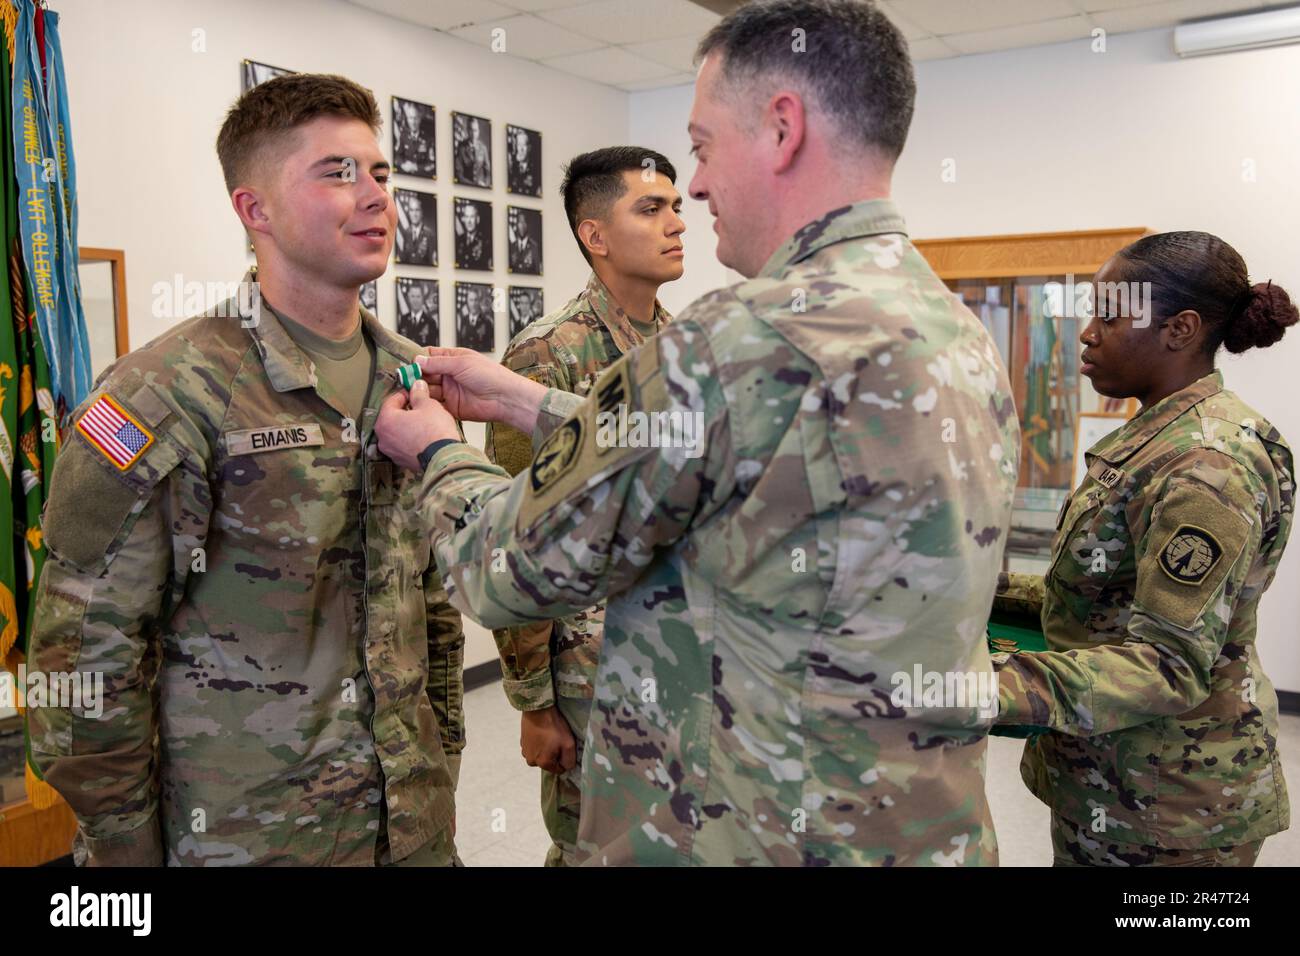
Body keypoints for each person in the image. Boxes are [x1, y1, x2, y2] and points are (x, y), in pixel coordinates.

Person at [377, 0, 1020, 866]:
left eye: (705, 148)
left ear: (783, 128)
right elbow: (747, 462)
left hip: (744, 827)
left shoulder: (731, 340)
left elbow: (508, 571)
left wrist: (437, 453)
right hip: (908, 824)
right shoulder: (951, 326)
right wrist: (534, 404)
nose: (701, 190)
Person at [26, 73, 465, 866]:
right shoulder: (165, 392)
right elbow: (84, 653)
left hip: (412, 825)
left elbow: (428, 599)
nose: (375, 197)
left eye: (380, 173)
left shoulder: (413, 379)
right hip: (243, 836)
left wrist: (445, 763)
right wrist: (124, 853)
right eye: (336, 172)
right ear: (253, 210)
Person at [991, 232, 1297, 867]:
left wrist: (986, 687)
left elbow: (1168, 664)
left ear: (1180, 329)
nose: (1087, 334)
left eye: (1109, 315)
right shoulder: (1160, 437)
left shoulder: (1208, 462)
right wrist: (983, 595)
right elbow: (1107, 593)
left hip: (1171, 809)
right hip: (1115, 781)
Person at [484, 146, 683, 866]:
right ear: (596, 235)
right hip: (588, 672)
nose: (676, 224)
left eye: (678, 206)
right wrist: (533, 700)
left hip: (678, 658)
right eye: (651, 208)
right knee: (590, 848)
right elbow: (516, 535)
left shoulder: (680, 345)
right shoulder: (547, 356)